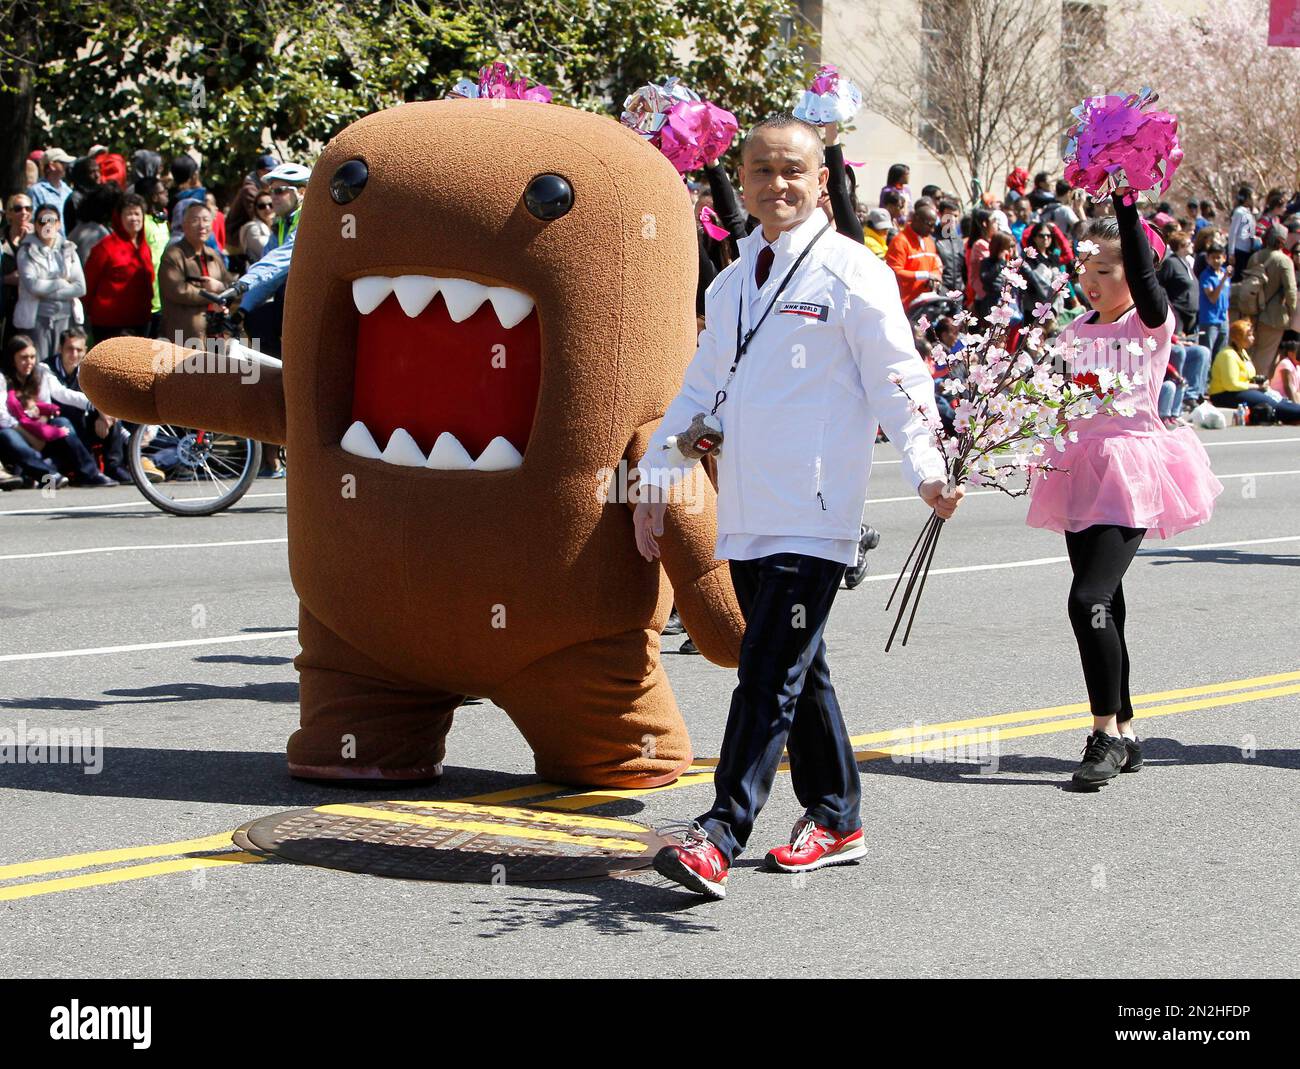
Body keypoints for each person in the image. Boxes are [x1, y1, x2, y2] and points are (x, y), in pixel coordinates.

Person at [633, 113, 962, 899]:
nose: (776, 185)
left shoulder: (852, 272)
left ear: (823, 183)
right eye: (760, 172)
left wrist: (930, 468)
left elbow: (900, 379)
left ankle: (719, 831)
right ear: (740, 185)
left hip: (815, 514)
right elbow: (698, 390)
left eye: (793, 172)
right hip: (744, 508)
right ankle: (838, 814)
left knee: (766, 667)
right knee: (796, 666)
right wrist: (651, 482)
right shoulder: (734, 277)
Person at [1025, 192, 1222, 790]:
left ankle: (1104, 733)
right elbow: (1055, 401)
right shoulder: (1072, 331)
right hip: (1077, 468)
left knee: (1087, 600)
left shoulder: (1148, 323)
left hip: (1129, 466)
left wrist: (1127, 208)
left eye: (1105, 270)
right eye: (1085, 268)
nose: (1091, 279)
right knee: (1107, 602)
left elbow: (1143, 271)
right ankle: (1129, 730)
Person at [218, 162, 311, 359]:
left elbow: (280, 260)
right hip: (294, 301)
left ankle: (288, 376)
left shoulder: (308, 219)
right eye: (271, 191)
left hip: (315, 302)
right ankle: (281, 377)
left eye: (280, 191)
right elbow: (268, 274)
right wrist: (241, 311)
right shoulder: (281, 224)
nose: (272, 197)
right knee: (256, 320)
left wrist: (242, 285)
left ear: (302, 192)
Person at [2, 333, 115, 485]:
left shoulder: (39, 373)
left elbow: (46, 406)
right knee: (7, 434)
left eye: (32, 357)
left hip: (40, 429)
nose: (29, 362)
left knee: (63, 423)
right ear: (12, 358)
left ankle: (91, 473)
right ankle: (48, 475)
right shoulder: (3, 378)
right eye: (23, 357)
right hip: (16, 430)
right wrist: (29, 433)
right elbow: (3, 416)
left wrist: (39, 430)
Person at [45, 327, 131, 481]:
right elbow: (62, 394)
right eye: (69, 349)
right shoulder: (45, 368)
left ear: (85, 351)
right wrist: (99, 407)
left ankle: (114, 467)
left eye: (79, 350)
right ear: (60, 349)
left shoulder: (87, 369)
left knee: (109, 411)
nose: (74, 354)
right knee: (64, 422)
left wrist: (103, 414)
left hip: (82, 423)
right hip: (56, 426)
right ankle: (91, 473)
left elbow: (103, 395)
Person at [13, 204, 85, 363]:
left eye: (51, 221)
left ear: (59, 224)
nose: (47, 226)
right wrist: (61, 282)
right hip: (37, 319)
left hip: (66, 318)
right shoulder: (26, 250)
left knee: (66, 363)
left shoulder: (68, 249)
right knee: (41, 365)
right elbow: (32, 286)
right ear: (35, 224)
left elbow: (80, 287)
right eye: (42, 221)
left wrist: (47, 288)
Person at [158, 200, 233, 348]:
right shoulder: (173, 255)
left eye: (206, 220)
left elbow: (229, 284)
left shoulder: (213, 255)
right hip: (186, 335)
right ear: (184, 226)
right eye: (195, 220)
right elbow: (178, 290)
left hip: (215, 331)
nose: (202, 225)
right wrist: (214, 297)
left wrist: (221, 287)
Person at [83, 192, 154, 340]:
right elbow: (89, 283)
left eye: (137, 213)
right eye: (129, 214)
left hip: (140, 321)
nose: (134, 218)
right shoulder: (106, 247)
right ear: (119, 217)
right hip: (110, 325)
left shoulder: (144, 247)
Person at [1156, 228, 1210, 409]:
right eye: (1188, 243)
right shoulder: (1171, 263)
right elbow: (1160, 286)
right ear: (1180, 246)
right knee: (1179, 352)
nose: (1192, 246)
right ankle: (1174, 399)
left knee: (1201, 352)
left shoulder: (1187, 263)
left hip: (1190, 320)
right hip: (1176, 318)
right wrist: (1170, 308)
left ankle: (1192, 394)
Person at [1209, 318, 1300, 422]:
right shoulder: (1228, 355)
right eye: (1249, 335)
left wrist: (1260, 382)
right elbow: (1231, 385)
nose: (1252, 338)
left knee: (1280, 401)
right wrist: (1257, 386)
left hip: (1243, 390)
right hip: (1225, 394)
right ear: (1239, 337)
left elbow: (1248, 376)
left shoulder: (1242, 352)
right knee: (1272, 404)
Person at [1244, 223, 1297, 375]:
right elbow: (1290, 291)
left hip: (1251, 310)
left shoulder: (1256, 256)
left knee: (1250, 349)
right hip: (1273, 316)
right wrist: (1291, 311)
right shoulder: (1284, 261)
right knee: (1265, 354)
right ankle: (1255, 385)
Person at [884, 196, 942, 309]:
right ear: (916, 219)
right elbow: (895, 271)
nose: (932, 230)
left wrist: (935, 278)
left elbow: (935, 266)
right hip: (904, 305)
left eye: (934, 226)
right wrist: (925, 275)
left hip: (926, 303)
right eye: (929, 225)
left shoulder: (929, 241)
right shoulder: (900, 241)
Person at [135, 175, 171, 336]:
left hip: (164, 297)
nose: (167, 194)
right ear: (154, 197)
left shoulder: (162, 221)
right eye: (163, 191)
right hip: (149, 301)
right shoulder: (143, 223)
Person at [2, 193, 35, 341]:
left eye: (28, 208)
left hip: (29, 306)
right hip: (4, 304)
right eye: (18, 208)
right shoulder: (2, 239)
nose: (24, 212)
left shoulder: (39, 240)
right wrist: (5, 279)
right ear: (8, 213)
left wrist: (30, 242)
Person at [26, 148, 76, 231]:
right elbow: (34, 220)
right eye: (62, 163)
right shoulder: (37, 191)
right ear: (51, 166)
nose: (66, 166)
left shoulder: (68, 190)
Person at [1197, 243, 1231, 356]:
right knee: (1207, 353)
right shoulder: (1206, 276)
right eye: (1213, 257)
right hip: (1210, 321)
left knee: (1220, 354)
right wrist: (1222, 280)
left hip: (1223, 320)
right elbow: (1212, 298)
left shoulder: (1224, 273)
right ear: (1208, 259)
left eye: (1219, 257)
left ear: (1224, 258)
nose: (1216, 260)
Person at [964, 207, 995, 309]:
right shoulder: (980, 245)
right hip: (979, 293)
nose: (996, 225)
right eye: (993, 221)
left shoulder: (984, 243)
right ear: (985, 224)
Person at [934, 197, 965, 295]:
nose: (952, 219)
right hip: (940, 295)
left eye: (955, 216)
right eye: (949, 215)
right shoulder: (932, 239)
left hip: (958, 294)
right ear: (940, 215)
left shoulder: (959, 241)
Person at [1227, 185, 1257, 278]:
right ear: (1247, 198)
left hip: (1247, 250)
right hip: (1239, 250)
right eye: (1253, 196)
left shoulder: (1249, 212)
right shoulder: (1239, 212)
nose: (1255, 198)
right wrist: (1231, 253)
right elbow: (1233, 233)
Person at [239, 190, 275, 265]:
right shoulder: (253, 229)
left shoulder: (278, 225)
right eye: (262, 206)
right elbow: (269, 253)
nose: (267, 208)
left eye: (270, 204)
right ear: (256, 209)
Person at [1270, 330, 1299, 402]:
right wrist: (1296, 405)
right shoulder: (1286, 363)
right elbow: (1288, 386)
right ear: (1290, 353)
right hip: (1280, 399)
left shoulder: (1298, 367)